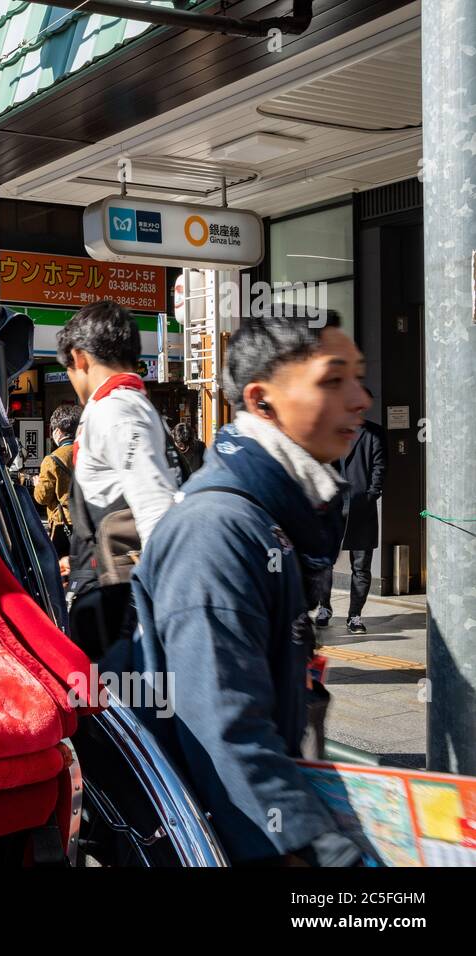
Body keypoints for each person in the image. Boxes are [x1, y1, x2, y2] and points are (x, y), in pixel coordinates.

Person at [124, 311, 372, 866]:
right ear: (263, 400)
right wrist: (322, 853)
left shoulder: (276, 517)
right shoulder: (218, 530)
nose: (360, 398)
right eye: (333, 380)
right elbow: (225, 727)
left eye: (359, 376)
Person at [57, 300, 180, 658]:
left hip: (116, 610)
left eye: (69, 368)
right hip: (110, 593)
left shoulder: (117, 410)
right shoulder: (134, 405)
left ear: (80, 358)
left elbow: (156, 510)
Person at [312, 388, 386, 635]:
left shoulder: (374, 433)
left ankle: (355, 615)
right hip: (332, 508)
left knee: (361, 566)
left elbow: (380, 467)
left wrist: (370, 495)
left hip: (361, 509)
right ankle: (325, 608)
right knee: (325, 563)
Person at [34, 403, 80, 562]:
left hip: (64, 524)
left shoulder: (52, 460)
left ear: (57, 431)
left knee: (62, 567)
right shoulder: (89, 452)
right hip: (88, 521)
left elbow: (42, 497)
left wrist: (37, 484)